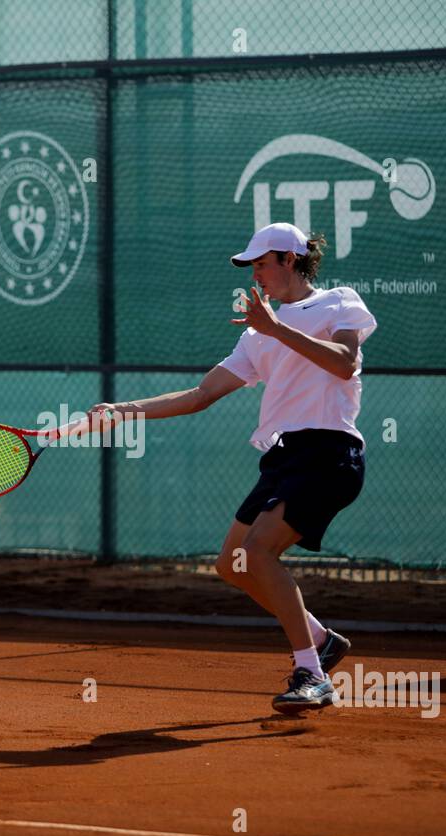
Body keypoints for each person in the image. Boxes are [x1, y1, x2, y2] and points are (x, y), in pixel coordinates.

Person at [88, 223, 376, 715]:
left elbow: (346, 363)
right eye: (252, 268)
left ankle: (311, 673)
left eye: (261, 264)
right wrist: (122, 410)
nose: (256, 275)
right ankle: (321, 641)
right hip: (285, 457)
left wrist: (277, 328)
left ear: (289, 259)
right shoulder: (256, 336)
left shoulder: (338, 303)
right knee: (233, 564)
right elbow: (201, 395)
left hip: (330, 453)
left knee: (259, 551)